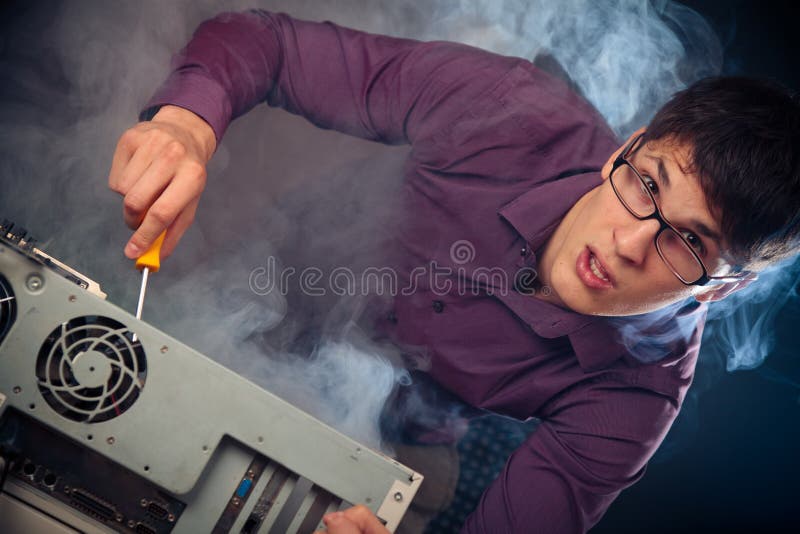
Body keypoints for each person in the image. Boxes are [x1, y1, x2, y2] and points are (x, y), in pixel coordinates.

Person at [107, 9, 800, 533]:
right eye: (647, 184)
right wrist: (185, 128)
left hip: (403, 438)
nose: (627, 244)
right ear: (629, 147)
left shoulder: (639, 394)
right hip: (245, 302)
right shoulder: (503, 109)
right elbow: (268, 44)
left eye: (686, 242)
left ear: (728, 286)